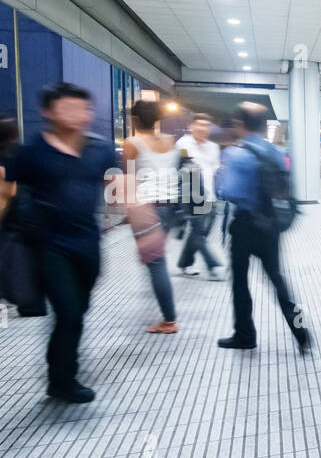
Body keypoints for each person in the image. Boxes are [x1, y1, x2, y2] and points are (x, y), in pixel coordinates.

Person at [0, 84, 118, 403]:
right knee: (69, 312)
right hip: (50, 246)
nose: (77, 115)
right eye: (67, 108)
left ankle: (62, 367)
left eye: (82, 108)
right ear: (48, 112)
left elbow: (120, 187)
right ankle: (62, 380)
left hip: (88, 244)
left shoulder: (101, 149)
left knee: (78, 311)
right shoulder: (30, 151)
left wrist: (145, 228)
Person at [215, 102, 309, 352]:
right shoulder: (276, 151)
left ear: (240, 124)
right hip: (271, 225)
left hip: (245, 225)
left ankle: (244, 335)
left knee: (240, 282)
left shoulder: (235, 154)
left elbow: (228, 192)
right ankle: (300, 328)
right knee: (278, 281)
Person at [122, 99, 178, 334]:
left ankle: (169, 320)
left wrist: (128, 211)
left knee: (157, 265)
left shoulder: (132, 143)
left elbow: (129, 180)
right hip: (170, 207)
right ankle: (164, 309)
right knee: (156, 261)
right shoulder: (170, 141)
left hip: (146, 209)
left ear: (134, 120)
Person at [174, 112, 222, 279]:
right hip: (192, 197)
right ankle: (213, 265)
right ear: (191, 126)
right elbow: (179, 171)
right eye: (199, 125)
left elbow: (216, 170)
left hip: (210, 196)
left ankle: (184, 263)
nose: (203, 129)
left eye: (207, 125)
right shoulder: (183, 145)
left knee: (201, 233)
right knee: (198, 232)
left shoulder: (213, 147)